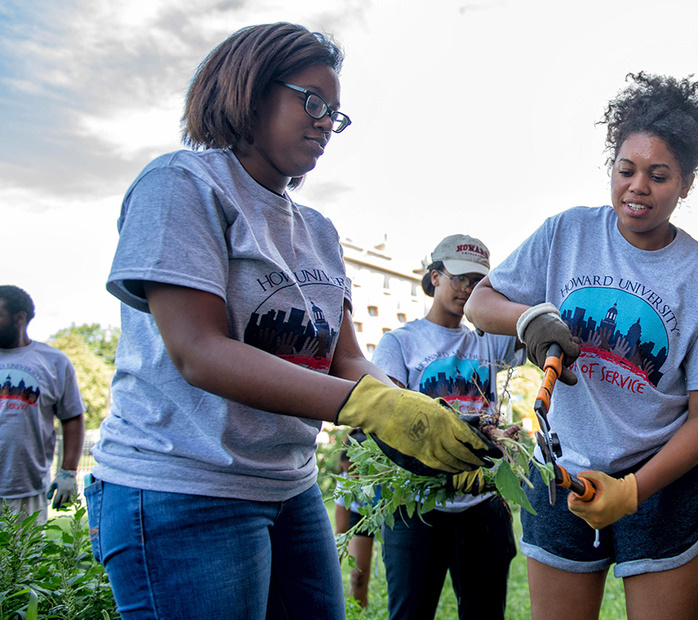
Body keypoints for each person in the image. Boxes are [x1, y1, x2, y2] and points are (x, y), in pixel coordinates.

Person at [84, 23, 498, 620]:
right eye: (311, 101)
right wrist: (369, 407)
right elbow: (198, 350)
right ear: (247, 91)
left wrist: (420, 417)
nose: (326, 122)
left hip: (288, 485)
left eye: (335, 112)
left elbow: (346, 358)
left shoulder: (319, 232)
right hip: (183, 486)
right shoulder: (182, 183)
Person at [464, 73, 698, 620]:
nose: (637, 186)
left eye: (659, 174)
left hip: (662, 478)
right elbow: (480, 302)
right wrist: (528, 318)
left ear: (686, 184)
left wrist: (633, 490)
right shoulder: (566, 233)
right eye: (626, 170)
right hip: (559, 466)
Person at [372, 235, 524, 620]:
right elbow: (389, 417)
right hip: (417, 504)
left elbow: (528, 322)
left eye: (477, 281)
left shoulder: (491, 344)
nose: (467, 288)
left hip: (482, 502)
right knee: (409, 612)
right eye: (458, 278)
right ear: (434, 277)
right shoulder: (399, 344)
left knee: (486, 613)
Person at [0, 285, 85, 525]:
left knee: (23, 563)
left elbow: (72, 417)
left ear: (19, 318)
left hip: (25, 490)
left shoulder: (54, 362)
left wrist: (68, 472)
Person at [333, 429, 377, 609]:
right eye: (347, 473)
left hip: (390, 513)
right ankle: (357, 612)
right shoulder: (345, 482)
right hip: (360, 517)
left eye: (356, 472)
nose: (352, 478)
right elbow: (341, 531)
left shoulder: (388, 478)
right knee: (358, 576)